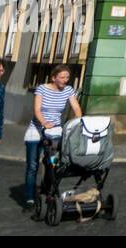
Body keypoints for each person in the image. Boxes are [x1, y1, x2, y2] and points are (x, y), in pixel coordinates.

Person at [26, 65, 83, 208]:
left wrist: (78, 122)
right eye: (62, 77)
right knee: (33, 165)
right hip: (36, 130)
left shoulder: (69, 90)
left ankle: (47, 191)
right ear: (53, 78)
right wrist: (44, 122)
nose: (65, 80)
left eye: (67, 77)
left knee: (51, 163)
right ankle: (29, 197)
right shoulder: (42, 89)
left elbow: (76, 108)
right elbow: (37, 109)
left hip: (55, 132)